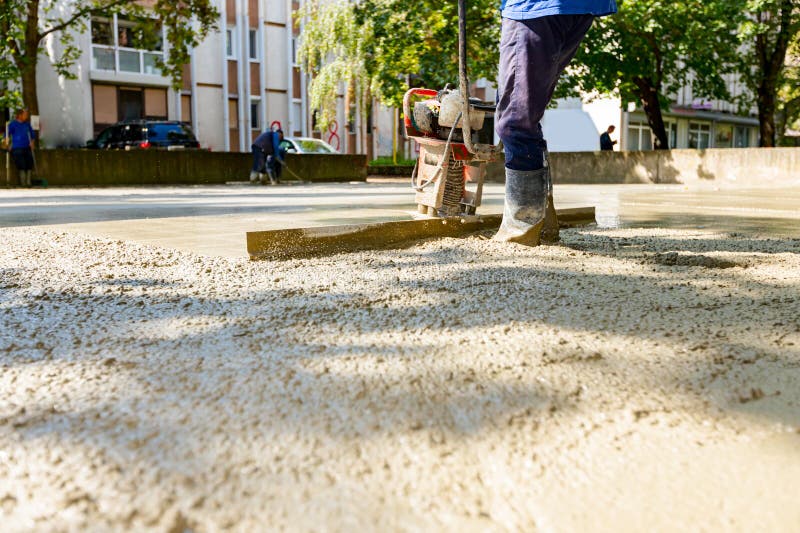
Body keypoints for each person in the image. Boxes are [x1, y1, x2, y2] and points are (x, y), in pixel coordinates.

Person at [494, 0, 617, 245]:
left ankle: (521, 229)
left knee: (514, 121)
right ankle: (544, 224)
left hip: (534, 7)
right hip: (578, 7)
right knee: (527, 114)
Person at [3, 109, 36, 187]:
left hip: (27, 147)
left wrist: (32, 142)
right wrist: (7, 142)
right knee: (21, 162)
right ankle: (23, 182)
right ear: (20, 115)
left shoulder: (27, 124)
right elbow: (6, 135)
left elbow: (32, 136)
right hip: (17, 147)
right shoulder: (13, 124)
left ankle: (28, 182)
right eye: (25, 115)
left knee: (29, 162)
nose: (26, 116)